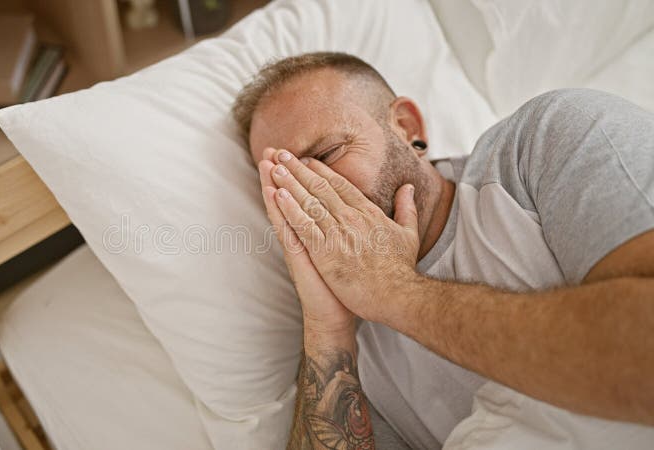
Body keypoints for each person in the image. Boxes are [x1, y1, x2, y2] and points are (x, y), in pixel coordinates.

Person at [232, 52, 654, 449]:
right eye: (282, 186)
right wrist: (327, 333)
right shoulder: (347, 360)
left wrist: (395, 292)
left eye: (327, 154)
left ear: (406, 127)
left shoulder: (545, 141)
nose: (312, 194)